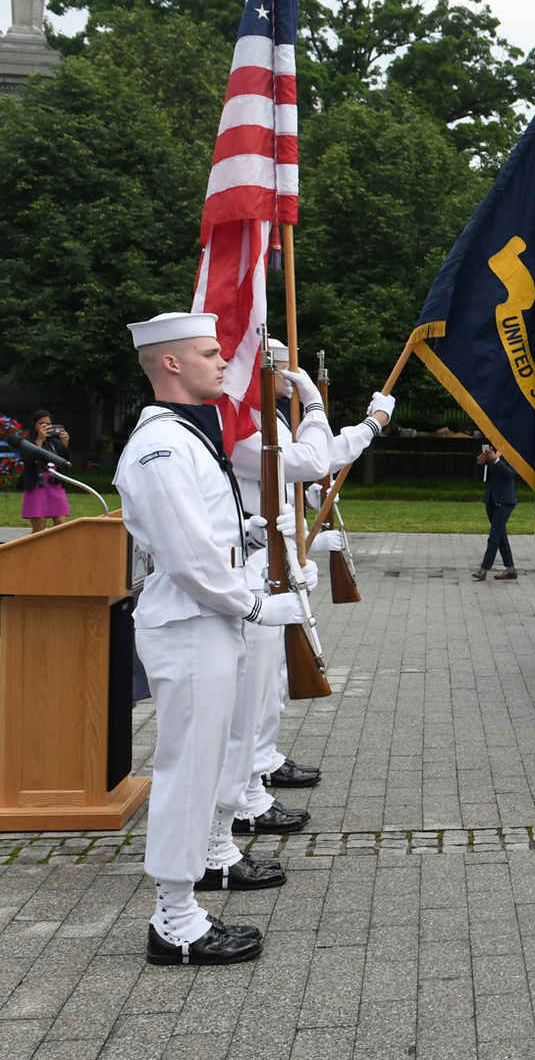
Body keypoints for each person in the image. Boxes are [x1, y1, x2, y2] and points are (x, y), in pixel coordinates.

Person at [114, 311, 307, 964]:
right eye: (207, 352)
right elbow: (189, 558)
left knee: (206, 761)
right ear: (171, 364)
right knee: (187, 771)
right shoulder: (160, 447)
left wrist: (252, 535)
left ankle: (190, 896)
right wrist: (254, 603)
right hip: (191, 626)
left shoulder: (188, 437)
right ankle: (174, 920)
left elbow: (207, 536)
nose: (223, 360)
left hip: (208, 624)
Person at [224, 336, 393, 853]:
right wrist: (318, 406)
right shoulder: (241, 427)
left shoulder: (266, 420)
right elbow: (311, 457)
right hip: (255, 566)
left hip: (276, 560)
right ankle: (247, 793)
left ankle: (263, 765)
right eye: (281, 367)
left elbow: (318, 459)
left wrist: (370, 426)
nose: (286, 374)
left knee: (271, 678)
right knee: (252, 688)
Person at [473, 442, 519, 581]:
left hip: (505, 500)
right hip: (491, 499)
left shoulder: (512, 450)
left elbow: (511, 474)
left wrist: (496, 460)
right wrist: (482, 462)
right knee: (500, 535)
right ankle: (510, 569)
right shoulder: (492, 451)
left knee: (494, 536)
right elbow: (486, 477)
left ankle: (484, 569)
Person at [19, 410, 70, 531]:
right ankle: (35, 549)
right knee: (39, 526)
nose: (46, 426)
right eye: (42, 423)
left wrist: (64, 444)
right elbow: (28, 460)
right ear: (34, 425)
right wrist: (39, 441)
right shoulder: (27, 442)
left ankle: (59, 549)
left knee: (61, 523)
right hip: (37, 483)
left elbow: (64, 462)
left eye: (48, 423)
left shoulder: (54, 442)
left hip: (55, 483)